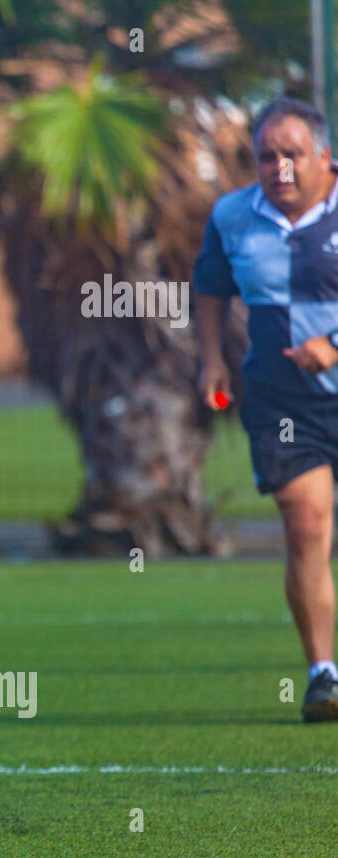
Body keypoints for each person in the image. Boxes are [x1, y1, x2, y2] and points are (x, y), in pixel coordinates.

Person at [196, 97, 338, 723]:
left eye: (293, 155)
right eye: (267, 157)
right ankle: (322, 674)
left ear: (325, 157)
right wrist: (211, 360)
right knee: (306, 526)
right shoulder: (232, 216)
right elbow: (211, 286)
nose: (279, 168)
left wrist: (332, 345)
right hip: (282, 399)